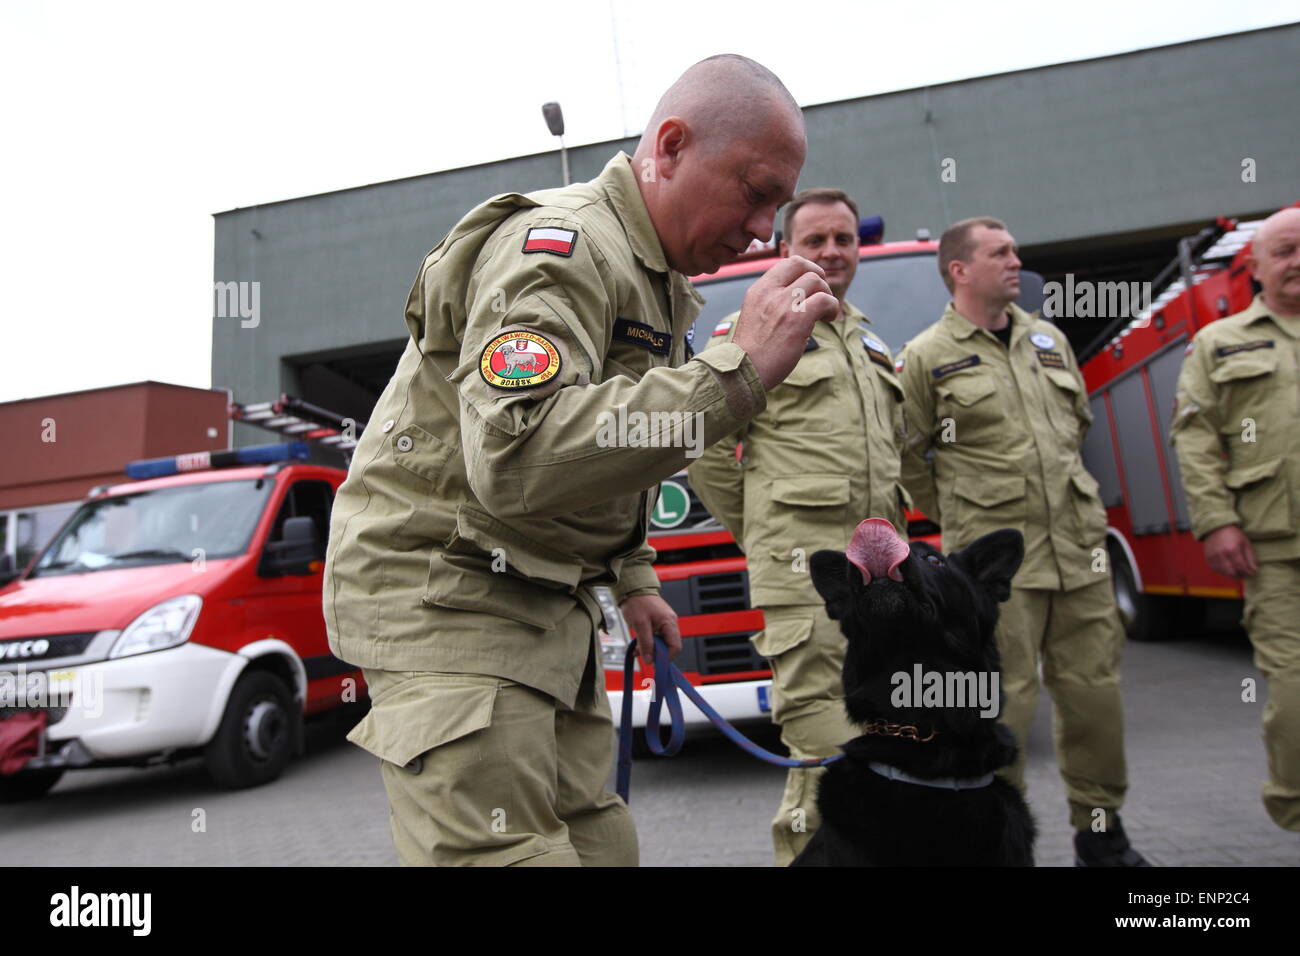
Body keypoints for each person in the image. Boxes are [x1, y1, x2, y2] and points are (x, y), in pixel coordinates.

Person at [322, 54, 840, 866]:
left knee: (600, 844)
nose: (763, 231)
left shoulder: (653, 279)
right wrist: (735, 374)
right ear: (669, 146)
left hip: (543, 607)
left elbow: (603, 451)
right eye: (755, 191)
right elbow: (520, 449)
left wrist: (632, 578)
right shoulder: (557, 248)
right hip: (455, 605)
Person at [896, 217, 1148, 866]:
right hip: (994, 573)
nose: (1016, 260)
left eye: (1014, 250)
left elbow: (1076, 425)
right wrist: (961, 515)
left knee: (1095, 699)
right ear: (960, 269)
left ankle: (1102, 838)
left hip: (1080, 553)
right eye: (999, 252)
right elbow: (904, 455)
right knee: (1003, 709)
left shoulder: (1049, 338)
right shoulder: (926, 355)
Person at [687, 188, 907, 865]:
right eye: (816, 240)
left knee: (870, 753)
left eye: (844, 239)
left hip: (880, 585)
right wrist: (769, 537)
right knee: (831, 751)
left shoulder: (869, 337)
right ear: (786, 249)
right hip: (805, 583)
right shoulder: (753, 330)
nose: (833, 252)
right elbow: (705, 445)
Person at [1171, 205, 1300, 833]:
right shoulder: (1221, 343)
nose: (1297, 260)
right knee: (1294, 698)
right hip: (1276, 549)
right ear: (1256, 265)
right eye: (1284, 250)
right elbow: (1194, 438)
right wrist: (1217, 519)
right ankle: (1294, 806)